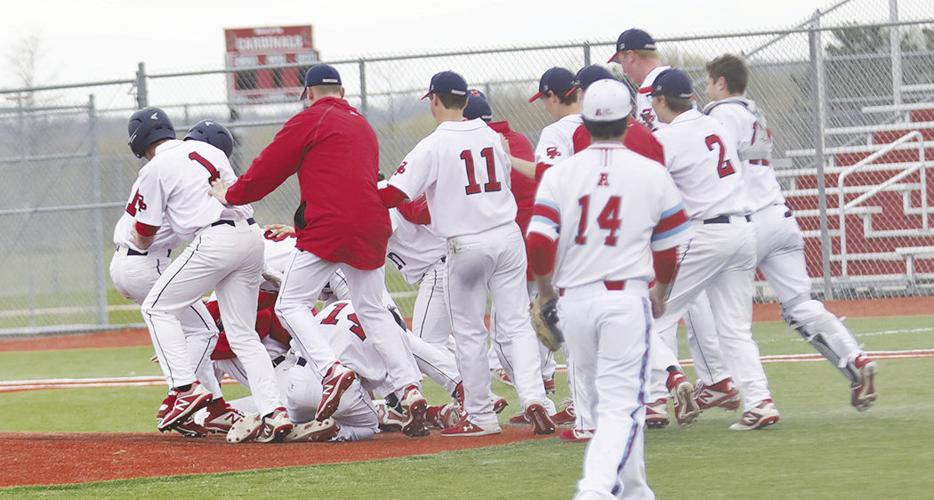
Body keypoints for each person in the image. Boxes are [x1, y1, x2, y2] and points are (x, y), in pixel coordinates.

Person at [210, 64, 430, 438]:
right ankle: (408, 388)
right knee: (373, 310)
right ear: (342, 92)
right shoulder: (362, 124)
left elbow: (268, 169)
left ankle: (331, 370)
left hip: (330, 225)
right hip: (373, 222)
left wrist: (230, 195)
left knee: (290, 304)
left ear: (309, 93)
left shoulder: (310, 119)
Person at [528, 78, 692, 499]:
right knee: (622, 408)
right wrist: (662, 293)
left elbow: (539, 243)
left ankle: (636, 492)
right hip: (624, 298)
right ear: (628, 120)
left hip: (574, 301)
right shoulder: (651, 172)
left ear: (585, 120)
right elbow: (667, 250)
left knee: (608, 408)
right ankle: (595, 491)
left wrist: (546, 292)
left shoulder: (560, 173)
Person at [381, 70, 557, 437]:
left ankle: (480, 414)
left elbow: (393, 196)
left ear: (435, 100)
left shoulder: (434, 143)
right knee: (516, 324)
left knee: (469, 331)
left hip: (467, 242)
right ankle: (535, 397)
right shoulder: (492, 135)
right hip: (508, 237)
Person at [704, 54, 876, 410]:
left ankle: (742, 393)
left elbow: (712, 163)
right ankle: (856, 359)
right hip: (780, 216)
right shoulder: (754, 111)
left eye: (709, 82)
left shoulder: (721, 114)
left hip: (747, 220)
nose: (706, 89)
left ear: (722, 83)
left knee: (725, 318)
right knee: (800, 304)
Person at [126, 108, 291, 443]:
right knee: (243, 335)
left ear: (138, 142)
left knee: (157, 309)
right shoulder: (211, 151)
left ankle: (184, 389)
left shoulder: (154, 168)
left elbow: (145, 230)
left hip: (216, 238)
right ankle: (275, 412)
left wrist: (137, 241)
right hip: (250, 236)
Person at [608, 32, 736, 425]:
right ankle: (716, 380)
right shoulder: (697, 113)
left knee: (656, 309)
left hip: (684, 218)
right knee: (703, 311)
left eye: (623, 59)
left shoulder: (658, 99)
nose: (623, 67)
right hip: (716, 216)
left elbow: (651, 161)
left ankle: (658, 394)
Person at [650, 68, 778, 430]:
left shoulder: (669, 136)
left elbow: (654, 188)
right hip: (742, 229)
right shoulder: (715, 125)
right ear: (689, 97)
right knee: (735, 329)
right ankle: (760, 401)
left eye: (655, 100)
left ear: (661, 100)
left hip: (705, 232)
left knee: (651, 316)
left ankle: (662, 388)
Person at [112, 119, 243, 438]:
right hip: (147, 262)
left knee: (189, 330)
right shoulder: (187, 173)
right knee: (206, 332)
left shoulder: (161, 167)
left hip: (125, 263)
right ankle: (182, 393)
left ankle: (213, 408)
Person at [607, 28, 671, 132]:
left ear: (631, 56)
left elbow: (654, 140)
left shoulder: (649, 88)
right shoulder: (678, 79)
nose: (624, 70)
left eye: (622, 62)